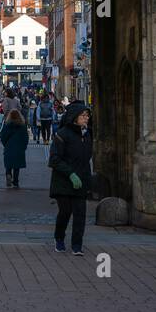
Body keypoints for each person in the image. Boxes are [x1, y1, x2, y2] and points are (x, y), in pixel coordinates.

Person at [48, 101, 93, 255]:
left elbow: (87, 158)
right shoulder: (62, 134)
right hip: (63, 181)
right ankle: (59, 238)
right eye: (83, 115)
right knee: (65, 211)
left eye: (87, 115)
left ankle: (77, 245)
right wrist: (70, 173)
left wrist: (87, 178)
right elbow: (54, 159)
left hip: (81, 180)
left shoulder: (87, 134)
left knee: (80, 214)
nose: (86, 118)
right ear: (74, 117)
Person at [1, 108, 29, 188]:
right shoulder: (22, 126)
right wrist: (24, 146)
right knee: (17, 166)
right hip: (19, 148)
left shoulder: (7, 126)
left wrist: (5, 144)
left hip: (9, 147)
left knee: (8, 164)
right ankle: (16, 181)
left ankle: (8, 175)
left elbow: (3, 137)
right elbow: (25, 138)